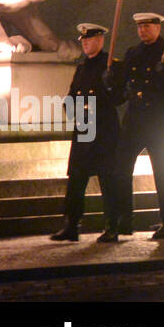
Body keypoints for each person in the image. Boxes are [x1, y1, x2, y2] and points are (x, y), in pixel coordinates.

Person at [110, 11, 164, 239]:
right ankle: (124, 218)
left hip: (160, 121)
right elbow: (121, 93)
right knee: (120, 168)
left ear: (158, 27)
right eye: (140, 27)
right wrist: (111, 82)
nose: (143, 30)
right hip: (134, 119)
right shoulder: (132, 54)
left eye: (148, 26)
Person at [50, 23, 123, 243]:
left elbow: (119, 97)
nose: (84, 43)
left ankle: (112, 226)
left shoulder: (112, 66)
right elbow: (72, 94)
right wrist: (69, 106)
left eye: (89, 40)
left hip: (103, 130)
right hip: (84, 129)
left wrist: (112, 86)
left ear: (100, 41)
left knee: (108, 180)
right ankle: (71, 225)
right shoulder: (81, 68)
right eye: (83, 40)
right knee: (76, 180)